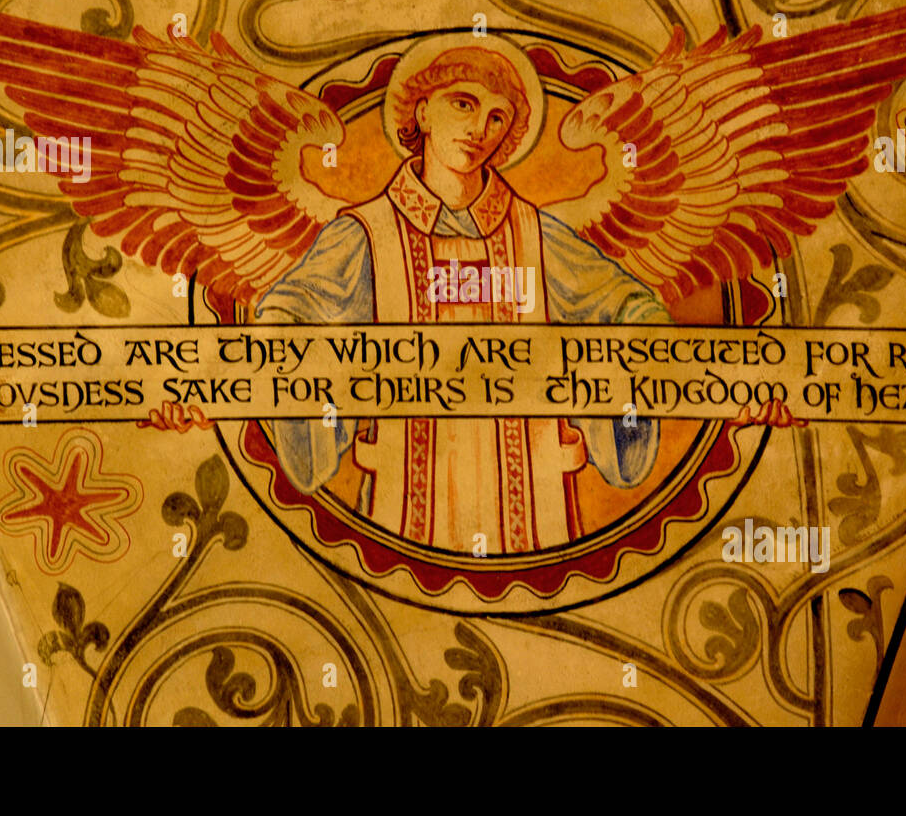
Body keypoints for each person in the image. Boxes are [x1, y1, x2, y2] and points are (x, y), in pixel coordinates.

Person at [256, 35, 670, 554]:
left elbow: (633, 309)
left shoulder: (537, 237)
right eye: (464, 104)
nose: (480, 129)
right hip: (400, 507)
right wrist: (210, 389)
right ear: (423, 112)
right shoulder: (365, 235)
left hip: (534, 520)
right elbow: (284, 322)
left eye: (497, 117)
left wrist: (730, 384)